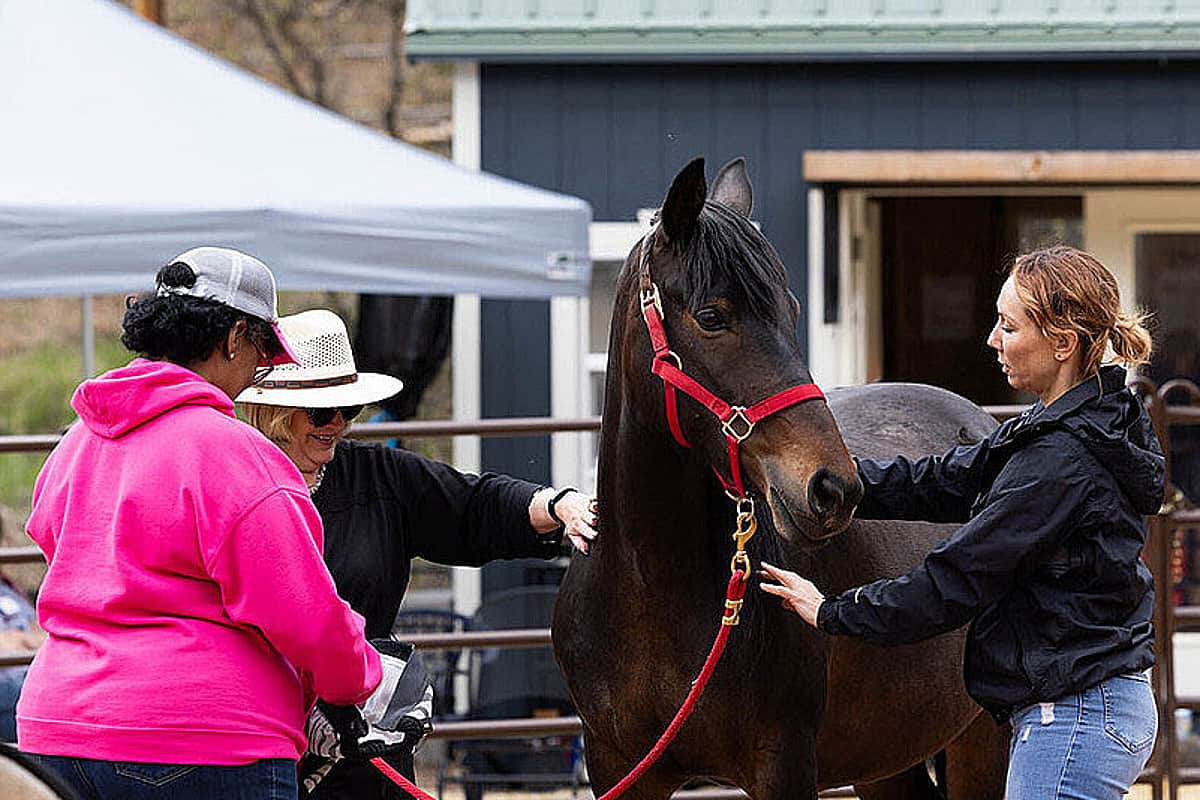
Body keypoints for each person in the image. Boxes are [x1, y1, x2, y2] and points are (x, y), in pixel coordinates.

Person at [760, 246, 1164, 800]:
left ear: (1063, 343)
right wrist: (836, 482)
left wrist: (831, 610)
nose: (993, 340)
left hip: (1073, 720)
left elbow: (954, 580)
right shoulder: (1069, 424)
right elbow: (947, 478)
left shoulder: (1062, 462)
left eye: (1009, 325)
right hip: (1079, 707)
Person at [17, 248, 398, 800]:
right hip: (203, 739)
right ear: (235, 338)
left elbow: (56, 548)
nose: (259, 369)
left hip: (56, 729)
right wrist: (360, 675)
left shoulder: (77, 443)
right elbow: (305, 615)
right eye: (264, 348)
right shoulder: (237, 455)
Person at [236, 308, 598, 799]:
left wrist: (559, 504)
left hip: (362, 728)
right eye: (322, 412)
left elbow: (472, 505)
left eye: (349, 411)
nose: (337, 425)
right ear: (275, 411)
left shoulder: (379, 476)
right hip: (260, 725)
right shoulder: (232, 478)